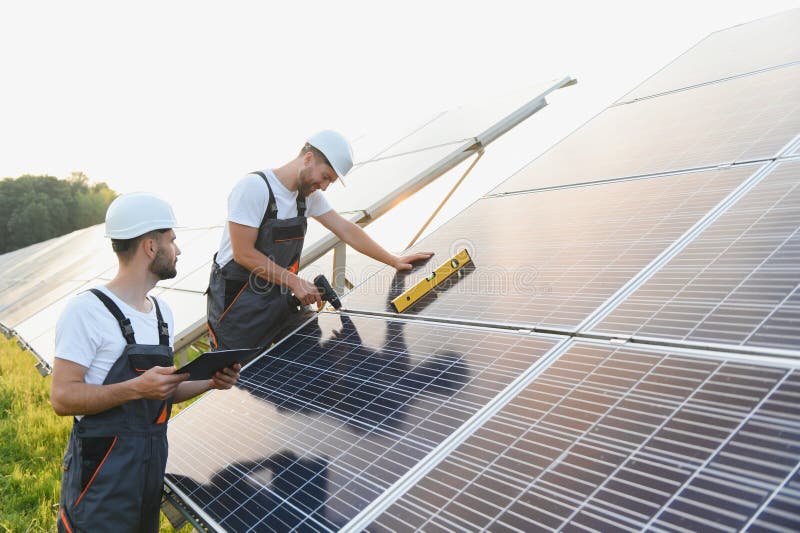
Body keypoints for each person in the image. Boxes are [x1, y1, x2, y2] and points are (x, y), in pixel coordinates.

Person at [50, 192, 241, 532]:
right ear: (150, 247)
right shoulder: (87, 311)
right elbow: (62, 398)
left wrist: (211, 381)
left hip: (149, 473)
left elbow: (161, 392)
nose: (178, 250)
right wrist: (135, 387)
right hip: (102, 478)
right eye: (172, 240)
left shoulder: (161, 315)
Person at [207, 129, 433, 350]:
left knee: (313, 361)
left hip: (279, 297)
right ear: (308, 159)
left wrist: (393, 260)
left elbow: (345, 229)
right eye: (325, 177)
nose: (324, 186)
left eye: (330, 182)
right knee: (239, 380)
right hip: (238, 306)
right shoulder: (255, 188)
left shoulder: (307, 197)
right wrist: (294, 282)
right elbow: (243, 253)